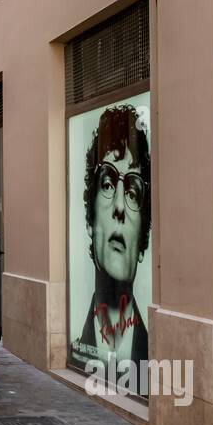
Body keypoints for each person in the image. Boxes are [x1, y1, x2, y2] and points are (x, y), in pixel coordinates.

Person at [77, 104, 151, 394]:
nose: (120, 206)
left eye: (132, 192)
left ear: (143, 241)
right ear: (89, 220)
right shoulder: (76, 342)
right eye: (108, 184)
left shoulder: (152, 354)